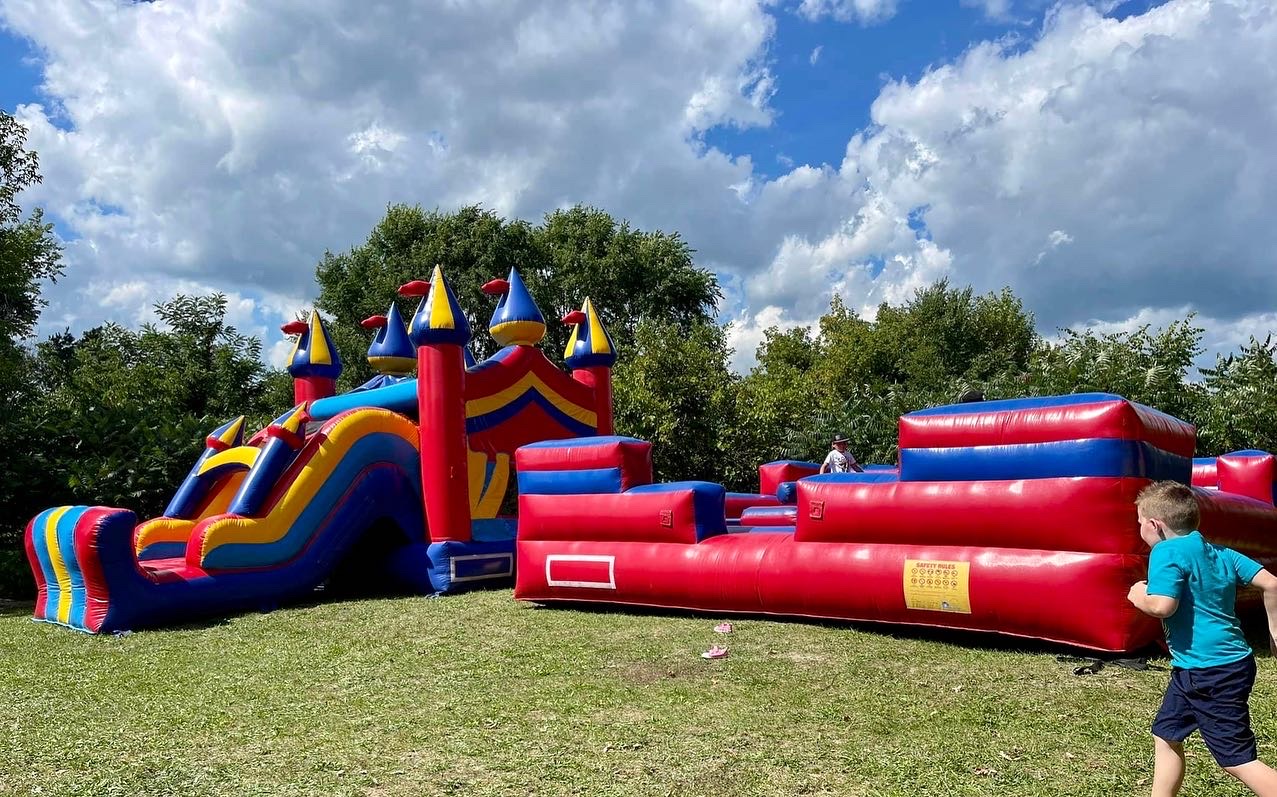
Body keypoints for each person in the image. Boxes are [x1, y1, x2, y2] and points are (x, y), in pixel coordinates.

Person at [1127, 481, 1277, 797]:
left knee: (1237, 760)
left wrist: (1139, 595)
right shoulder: (1218, 552)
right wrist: (1275, 636)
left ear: (1155, 525)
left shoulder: (1165, 551)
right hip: (1210, 667)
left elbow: (1162, 605)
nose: (1140, 530)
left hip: (1209, 672)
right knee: (1166, 734)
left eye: (1139, 523)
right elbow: (1272, 583)